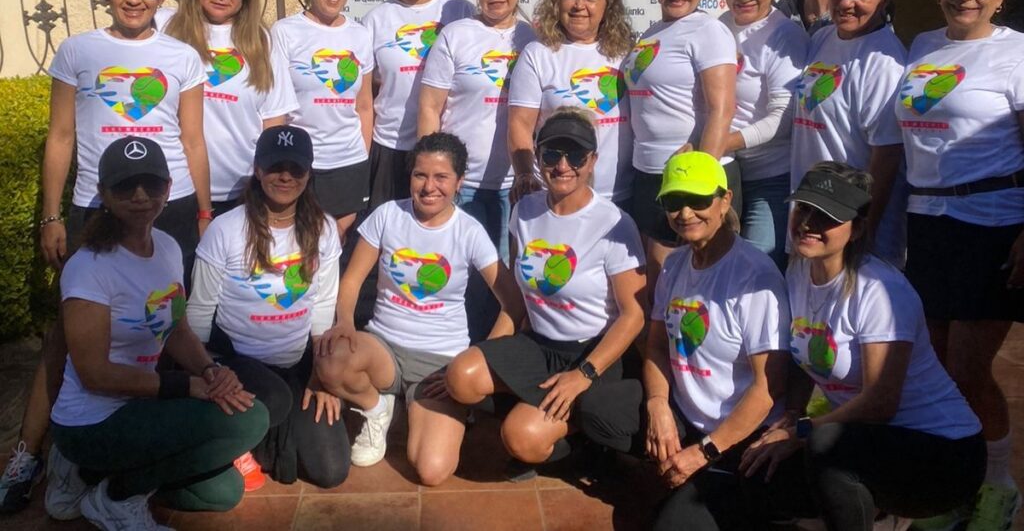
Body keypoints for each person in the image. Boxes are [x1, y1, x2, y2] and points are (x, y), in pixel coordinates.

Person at [1, 0, 211, 515]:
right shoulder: (78, 50)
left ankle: (143, 450)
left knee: (165, 321)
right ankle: (34, 452)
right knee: (65, 338)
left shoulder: (183, 56)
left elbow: (192, 139)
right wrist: (51, 214)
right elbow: (61, 135)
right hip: (99, 203)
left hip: (170, 202)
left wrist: (204, 210)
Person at [740, 162, 985, 531]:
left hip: (945, 454)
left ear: (857, 229)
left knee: (823, 444)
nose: (808, 223)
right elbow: (804, 353)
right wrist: (790, 414)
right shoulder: (797, 272)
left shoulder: (881, 292)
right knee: (763, 477)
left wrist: (799, 431)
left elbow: (881, 403)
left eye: (826, 216)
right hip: (869, 444)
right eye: (804, 208)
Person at [45, 137, 268, 530]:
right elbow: (95, 374)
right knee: (250, 421)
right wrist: (188, 385)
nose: (140, 196)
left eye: (151, 184)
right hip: (91, 422)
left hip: (141, 406)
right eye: (124, 185)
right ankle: (115, 496)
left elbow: (176, 328)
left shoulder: (166, 247)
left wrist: (210, 371)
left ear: (168, 188)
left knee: (223, 492)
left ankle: (99, 478)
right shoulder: (88, 268)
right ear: (103, 195)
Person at [897, 0, 1024, 529]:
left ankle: (998, 485)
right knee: (939, 369)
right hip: (927, 225)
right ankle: (952, 485)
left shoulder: (1018, 54)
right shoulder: (923, 46)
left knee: (969, 369)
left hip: (991, 223)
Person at [315, 132, 525, 485]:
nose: (429, 187)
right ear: (410, 176)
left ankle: (426, 406)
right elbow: (350, 282)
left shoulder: (469, 231)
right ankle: (376, 407)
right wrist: (346, 322)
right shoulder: (387, 215)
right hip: (383, 348)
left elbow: (513, 304)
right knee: (331, 357)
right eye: (420, 175)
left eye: (441, 177)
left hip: (440, 364)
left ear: (459, 182)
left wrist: (477, 361)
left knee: (431, 470)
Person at [447, 111, 646, 468]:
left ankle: (578, 438)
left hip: (593, 351)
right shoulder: (523, 210)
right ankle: (546, 408)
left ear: (593, 161)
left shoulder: (614, 223)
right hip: (539, 344)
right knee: (461, 378)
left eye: (576, 155)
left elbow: (633, 316)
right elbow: (519, 300)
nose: (563, 165)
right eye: (552, 155)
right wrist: (490, 352)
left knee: (520, 438)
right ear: (537, 157)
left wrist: (583, 374)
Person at [186, 125, 349, 490]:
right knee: (273, 401)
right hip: (238, 363)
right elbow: (198, 312)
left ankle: (262, 437)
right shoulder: (226, 230)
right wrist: (207, 374)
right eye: (275, 167)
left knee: (330, 470)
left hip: (298, 363)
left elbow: (323, 305)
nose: (285, 176)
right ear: (258, 170)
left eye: (296, 168)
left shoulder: (323, 228)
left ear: (309, 174)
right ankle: (237, 432)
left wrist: (322, 376)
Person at [643, 151, 791, 530]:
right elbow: (657, 345)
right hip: (688, 417)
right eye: (674, 202)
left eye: (698, 200)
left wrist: (704, 452)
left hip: (739, 438)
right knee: (604, 411)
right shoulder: (675, 263)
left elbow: (768, 387)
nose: (686, 212)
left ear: (725, 201)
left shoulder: (755, 277)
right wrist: (658, 406)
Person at [623, 0, 736, 284]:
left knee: (683, 281)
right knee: (652, 280)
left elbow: (722, 109)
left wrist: (700, 173)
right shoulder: (652, 33)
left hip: (686, 176)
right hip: (646, 171)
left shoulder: (708, 31)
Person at [790, 0, 907, 267]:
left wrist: (861, 229)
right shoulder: (823, 38)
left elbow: (886, 157)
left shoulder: (885, 62)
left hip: (848, 228)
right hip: (811, 215)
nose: (845, 2)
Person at [419, 0, 536, 262]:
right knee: (461, 276)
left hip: (518, 184)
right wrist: (433, 172)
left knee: (508, 277)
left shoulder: (535, 39)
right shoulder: (455, 35)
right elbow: (430, 107)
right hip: (461, 183)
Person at [166, 0, 297, 216]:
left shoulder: (263, 42)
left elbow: (273, 123)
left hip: (243, 191)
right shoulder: (169, 32)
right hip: (178, 189)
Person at [507, 0, 634, 209]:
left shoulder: (627, 53)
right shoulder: (538, 54)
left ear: (608, 6)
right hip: (556, 197)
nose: (579, 5)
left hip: (622, 196)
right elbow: (520, 125)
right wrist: (524, 174)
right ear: (558, 0)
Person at [362, 0, 475, 208]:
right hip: (391, 147)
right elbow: (367, 91)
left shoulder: (459, 10)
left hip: (445, 150)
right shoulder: (375, 19)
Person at [272, 0, 374, 241]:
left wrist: (361, 157)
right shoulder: (284, 31)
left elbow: (364, 105)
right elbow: (276, 104)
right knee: (298, 242)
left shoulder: (360, 34)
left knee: (338, 242)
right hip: (301, 161)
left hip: (348, 161)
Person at [719, 0, 808, 270]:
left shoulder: (785, 35)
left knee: (758, 270)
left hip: (769, 179)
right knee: (721, 267)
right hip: (724, 174)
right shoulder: (720, 25)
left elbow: (782, 119)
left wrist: (719, 143)